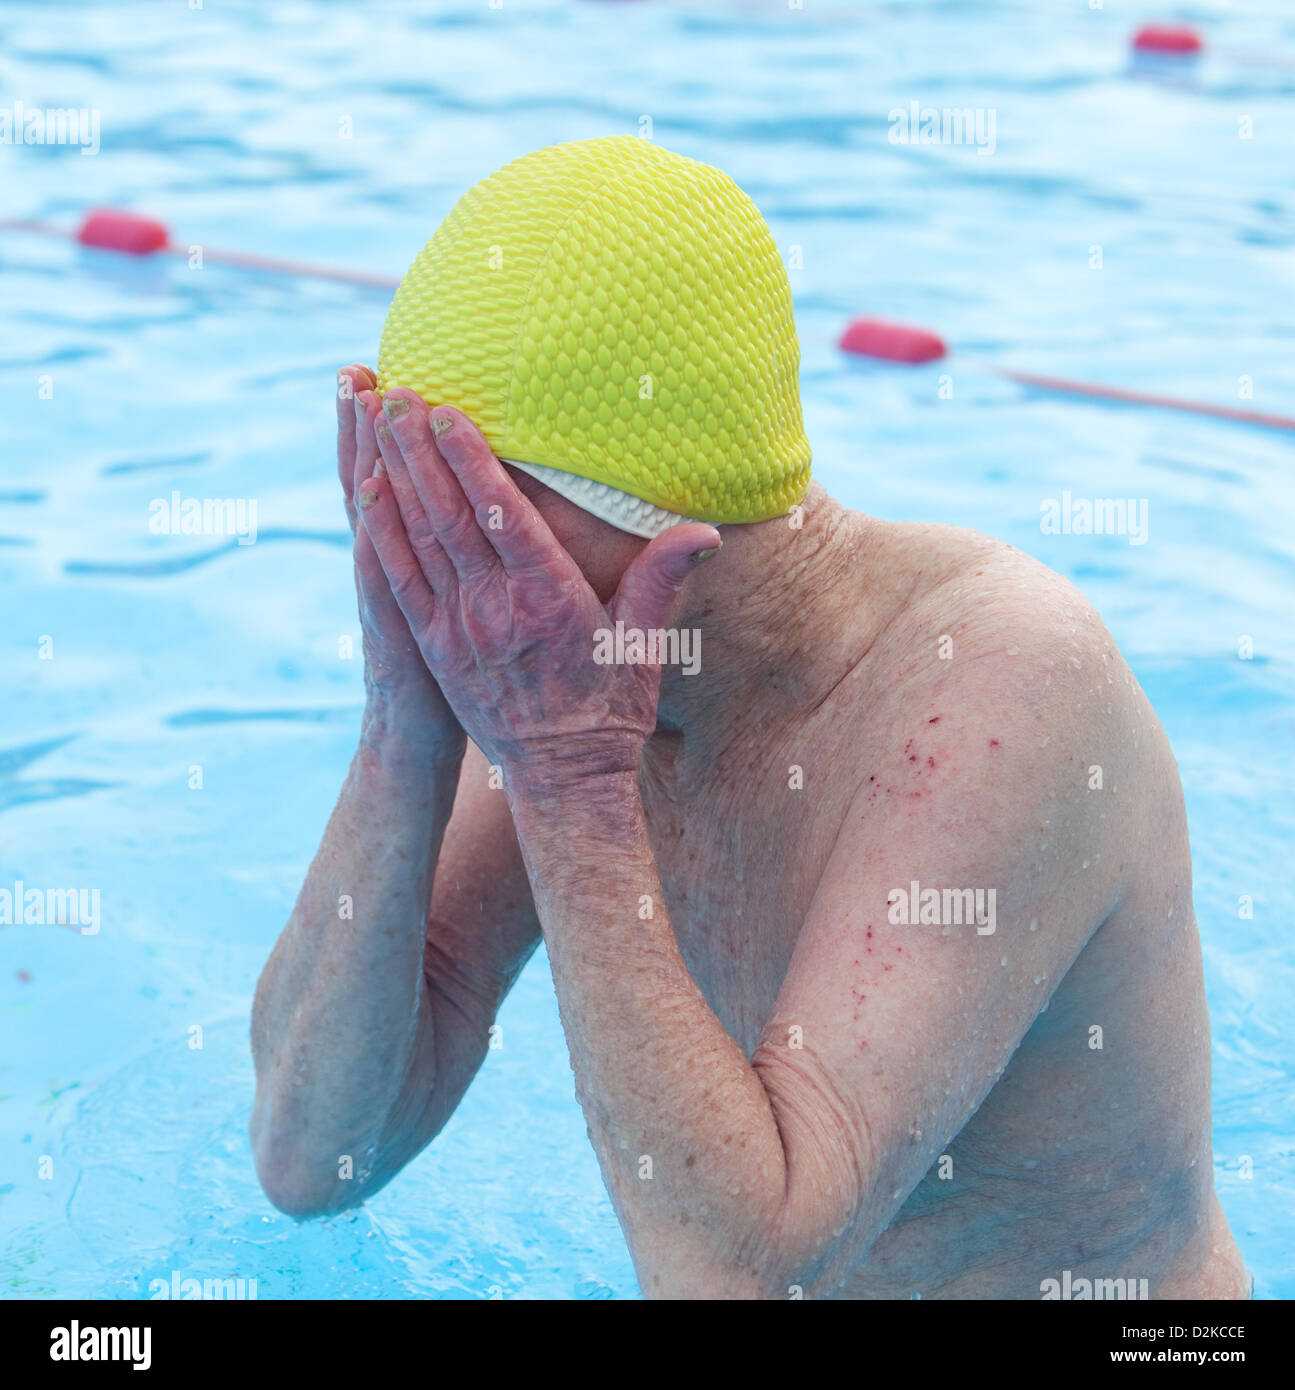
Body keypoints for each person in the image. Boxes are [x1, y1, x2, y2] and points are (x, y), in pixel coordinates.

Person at [250, 138, 1248, 1300]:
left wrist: (569, 782)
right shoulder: (558, 657)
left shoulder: (995, 681)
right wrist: (403, 723)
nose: (451, 575)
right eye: (409, 515)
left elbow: (738, 1278)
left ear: (665, 532)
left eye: (480, 527)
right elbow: (308, 1156)